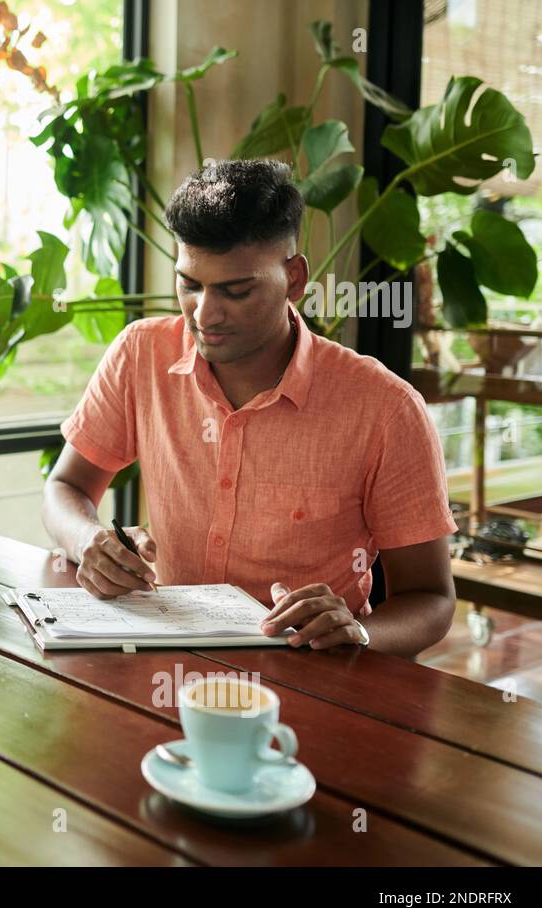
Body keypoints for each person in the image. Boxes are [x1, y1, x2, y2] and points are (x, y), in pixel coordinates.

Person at [42, 159, 457, 657]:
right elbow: (66, 486)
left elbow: (431, 599)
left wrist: (358, 634)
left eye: (236, 291)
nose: (205, 313)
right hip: (165, 655)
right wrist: (86, 539)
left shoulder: (385, 409)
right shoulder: (141, 353)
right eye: (190, 285)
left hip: (313, 677)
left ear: (295, 279)